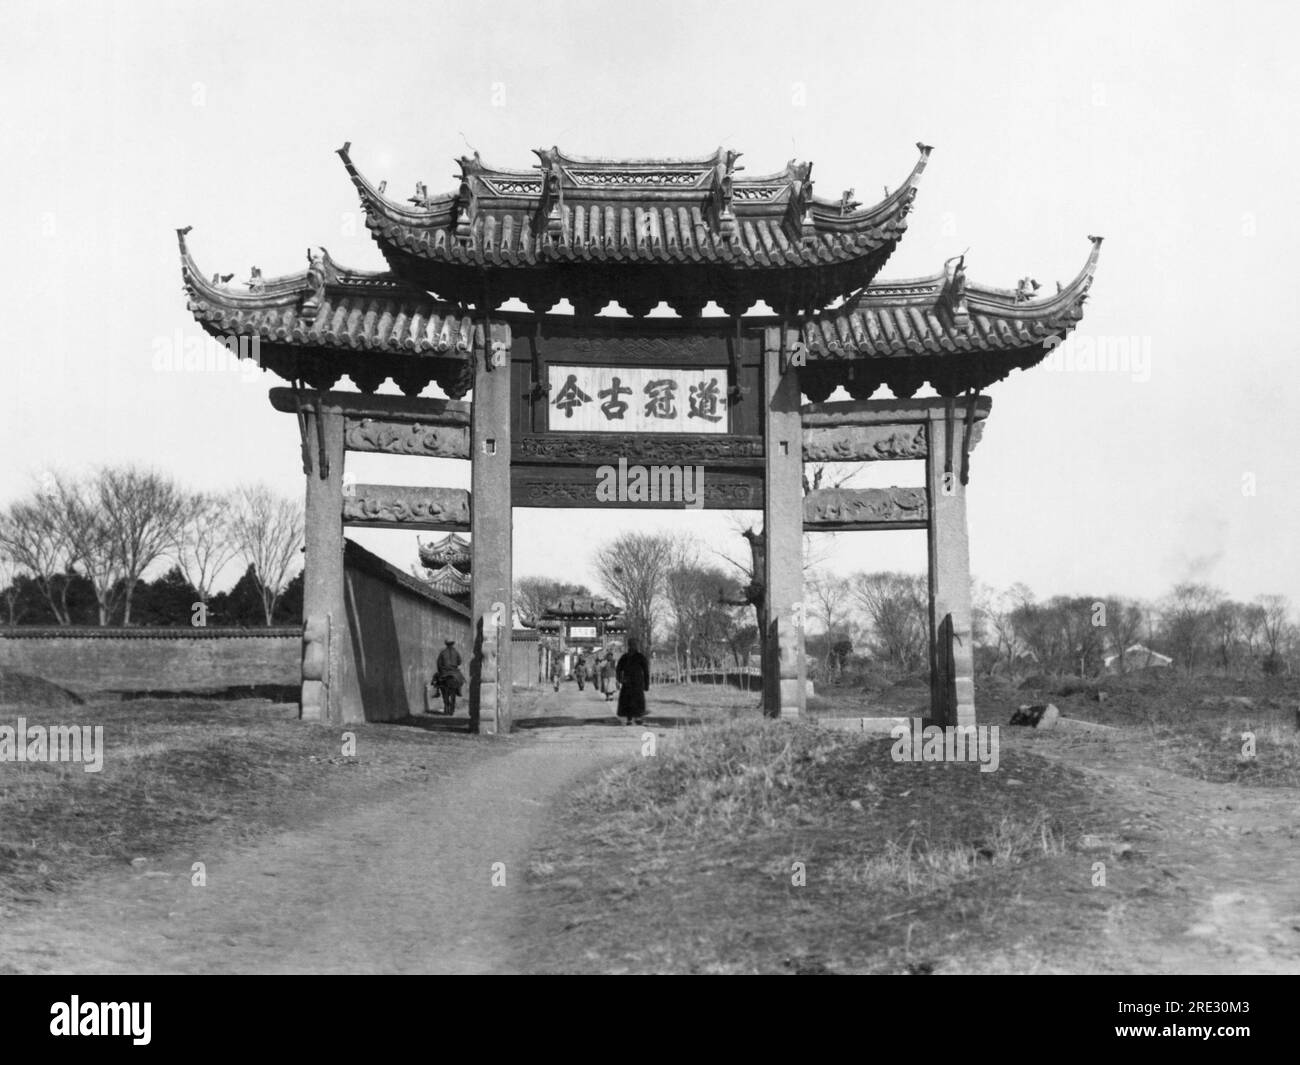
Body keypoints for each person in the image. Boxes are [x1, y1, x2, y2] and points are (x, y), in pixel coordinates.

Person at [615, 637, 650, 724]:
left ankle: (638, 717)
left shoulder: (640, 657)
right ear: (629, 646)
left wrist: (646, 684)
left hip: (638, 683)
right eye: (631, 644)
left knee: (638, 701)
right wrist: (619, 679)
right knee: (628, 701)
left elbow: (646, 671)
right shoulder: (624, 657)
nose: (633, 646)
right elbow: (618, 669)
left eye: (634, 644)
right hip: (627, 683)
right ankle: (629, 718)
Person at [434, 638, 465, 713]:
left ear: (446, 644)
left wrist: (441, 670)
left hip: (444, 672)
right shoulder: (456, 652)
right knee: (461, 679)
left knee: (436, 679)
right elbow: (459, 662)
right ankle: (459, 690)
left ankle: (437, 690)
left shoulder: (442, 652)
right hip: (454, 672)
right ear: (452, 644)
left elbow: (438, 663)